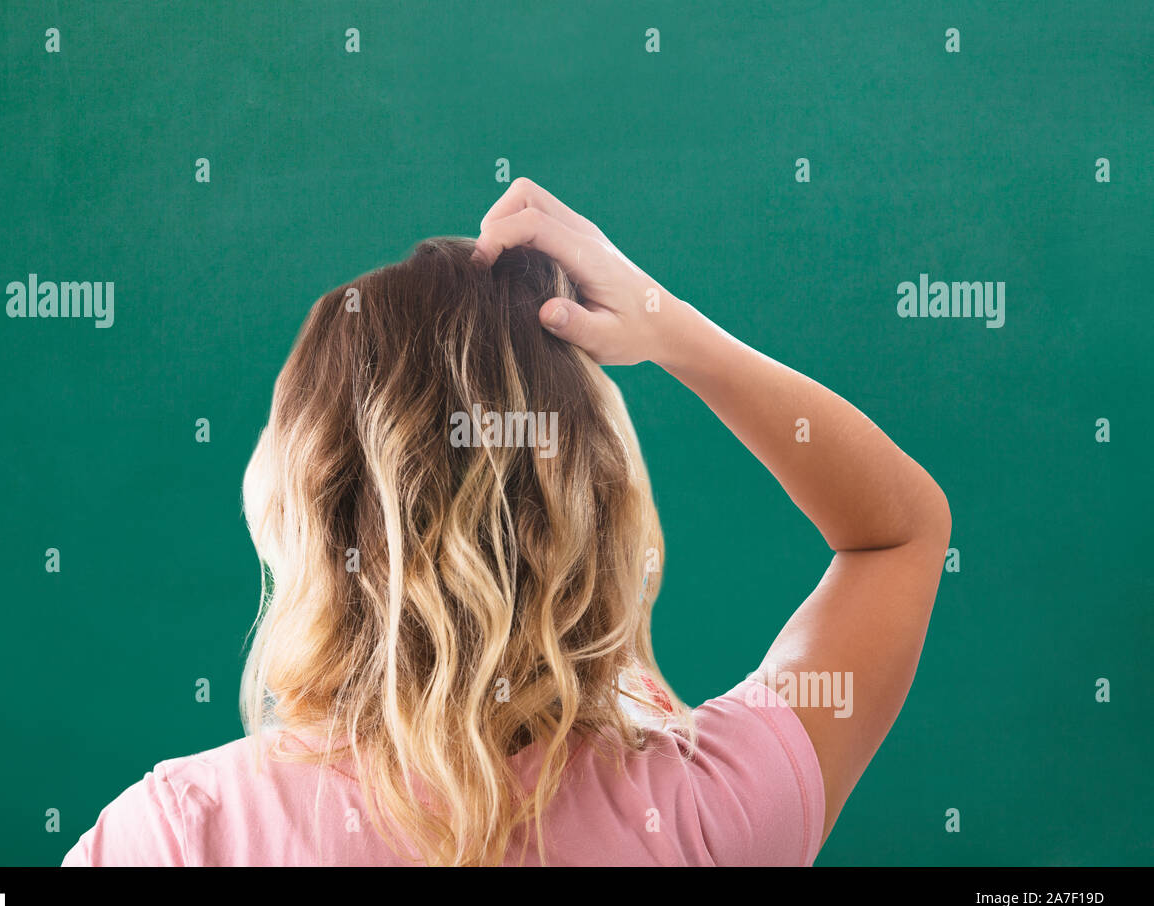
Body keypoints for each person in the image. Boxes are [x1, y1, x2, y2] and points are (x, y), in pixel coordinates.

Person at [63, 179, 950, 867]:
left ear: (304, 512)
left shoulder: (177, 837)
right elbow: (899, 534)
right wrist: (669, 329)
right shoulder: (707, 811)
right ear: (594, 509)